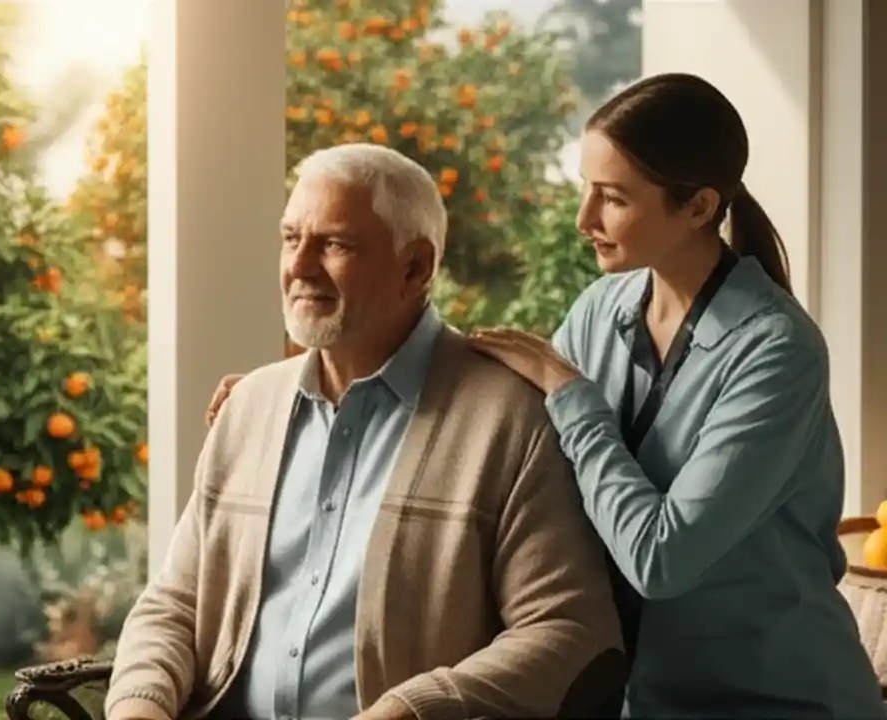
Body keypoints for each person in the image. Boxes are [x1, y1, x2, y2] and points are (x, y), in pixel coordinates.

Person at [210, 74, 885, 718]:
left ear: (700, 207)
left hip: (779, 702)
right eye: (586, 189)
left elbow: (661, 559)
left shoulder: (777, 352)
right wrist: (310, 395)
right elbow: (512, 417)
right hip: (641, 704)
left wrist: (572, 394)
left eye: (613, 198)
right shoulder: (603, 308)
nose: (584, 218)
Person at [106, 143, 625, 720]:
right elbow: (175, 603)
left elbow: (568, 630)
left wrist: (408, 709)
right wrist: (140, 705)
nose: (300, 267)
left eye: (335, 244)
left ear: (416, 267)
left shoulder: (511, 419)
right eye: (291, 238)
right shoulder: (248, 405)